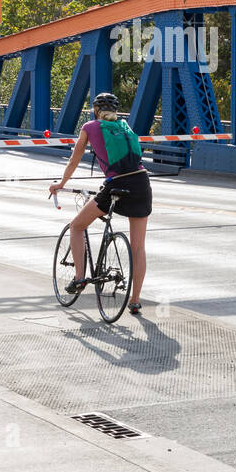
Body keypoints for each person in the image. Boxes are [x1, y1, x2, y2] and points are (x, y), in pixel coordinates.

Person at [48, 92, 151, 315]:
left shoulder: (91, 126)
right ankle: (135, 300)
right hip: (142, 182)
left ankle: (79, 278)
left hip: (116, 185)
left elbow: (74, 160)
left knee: (76, 226)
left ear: (95, 110)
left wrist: (61, 183)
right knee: (138, 247)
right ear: (116, 111)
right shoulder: (125, 126)